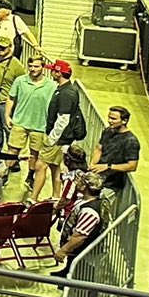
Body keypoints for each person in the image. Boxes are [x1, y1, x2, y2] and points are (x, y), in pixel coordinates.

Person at [6, 53, 57, 201]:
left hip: (40, 126)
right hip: (20, 122)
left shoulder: (51, 86)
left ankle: (30, 175)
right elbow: (11, 98)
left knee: (34, 154)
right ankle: (7, 173)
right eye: (31, 66)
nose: (33, 69)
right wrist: (7, 116)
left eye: (36, 66)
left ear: (43, 68)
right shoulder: (20, 81)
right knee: (12, 150)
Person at [40, 61, 88, 203]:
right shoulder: (65, 89)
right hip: (61, 138)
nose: (51, 73)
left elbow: (63, 119)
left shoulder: (67, 93)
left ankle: (33, 198)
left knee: (40, 165)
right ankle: (56, 196)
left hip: (59, 138)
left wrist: (52, 139)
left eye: (53, 70)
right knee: (55, 167)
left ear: (58, 73)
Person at [94, 105, 141, 210]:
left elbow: (132, 166)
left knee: (100, 211)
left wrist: (108, 167)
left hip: (111, 184)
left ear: (124, 121)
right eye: (109, 117)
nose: (109, 121)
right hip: (97, 179)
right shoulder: (108, 131)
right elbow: (99, 148)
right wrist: (93, 165)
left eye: (113, 119)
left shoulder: (131, 141)